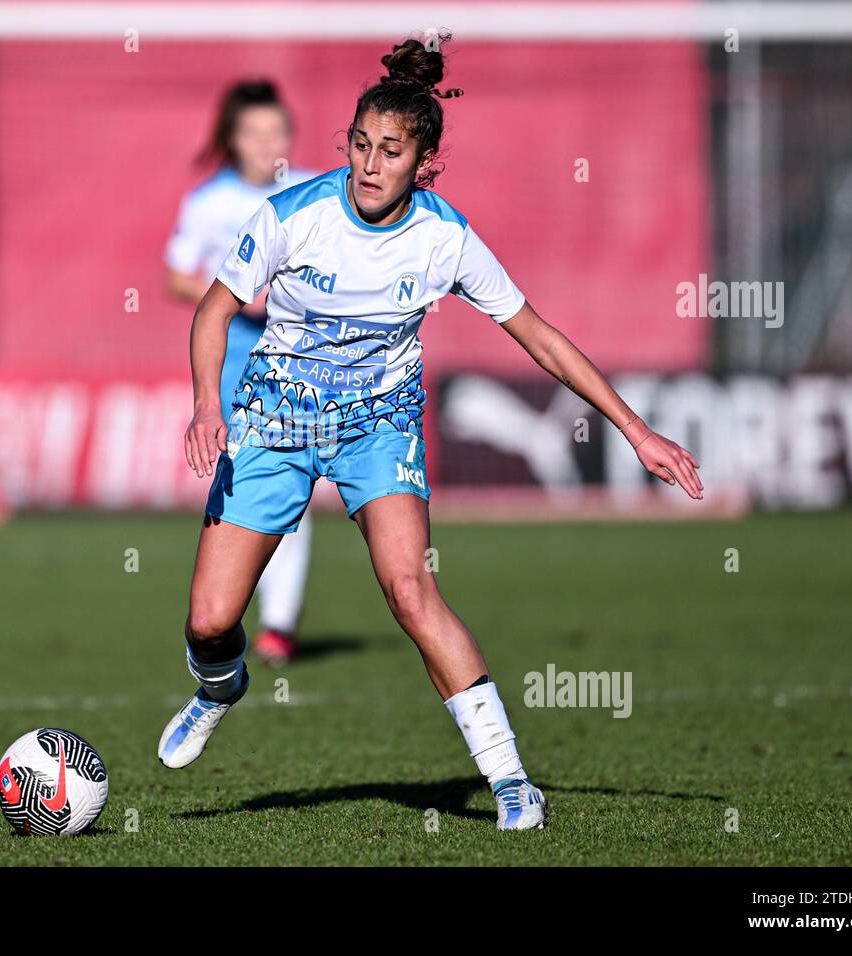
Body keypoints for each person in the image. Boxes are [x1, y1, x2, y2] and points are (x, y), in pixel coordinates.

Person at [159, 35, 703, 831]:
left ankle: (511, 779)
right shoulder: (290, 214)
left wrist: (636, 431)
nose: (370, 163)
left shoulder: (445, 238)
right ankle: (218, 687)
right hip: (274, 418)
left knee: (411, 590)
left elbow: (540, 336)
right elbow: (213, 309)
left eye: (391, 150)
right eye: (359, 144)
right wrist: (210, 405)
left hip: (378, 426)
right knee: (209, 620)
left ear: (424, 160)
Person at [165, 79, 318, 666]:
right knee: (240, 487)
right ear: (233, 139)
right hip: (231, 365)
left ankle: (279, 623)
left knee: (291, 484)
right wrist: (235, 295)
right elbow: (176, 276)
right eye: (253, 132)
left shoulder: (311, 192)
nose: (265, 143)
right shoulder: (208, 203)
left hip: (302, 366)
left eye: (275, 131)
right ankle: (226, 616)